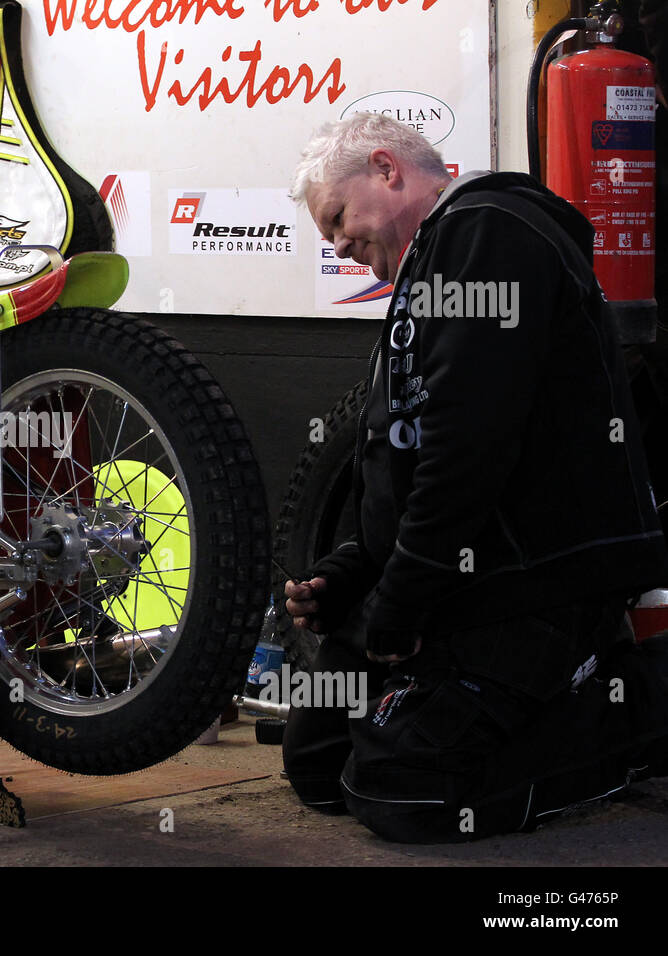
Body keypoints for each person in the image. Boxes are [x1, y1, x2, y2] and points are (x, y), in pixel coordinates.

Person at [281, 112, 668, 843]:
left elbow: (467, 453)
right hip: (456, 585)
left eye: (335, 218)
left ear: (387, 169)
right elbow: (400, 464)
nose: (335, 244)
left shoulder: (489, 231)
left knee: (407, 793)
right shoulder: (427, 276)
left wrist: (395, 613)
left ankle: (641, 697)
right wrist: (349, 572)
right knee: (318, 764)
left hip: (537, 586)